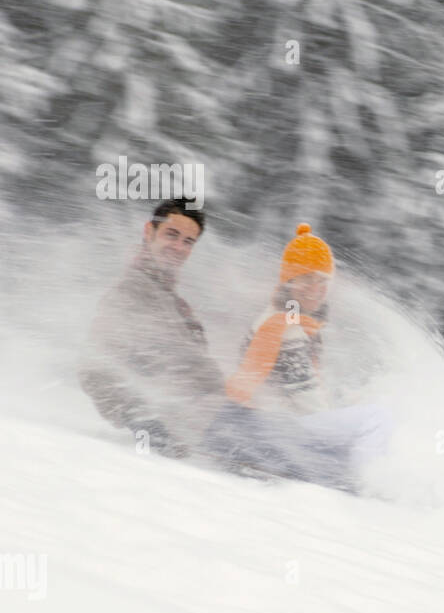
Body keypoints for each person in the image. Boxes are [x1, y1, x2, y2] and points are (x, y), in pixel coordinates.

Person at [205, 224, 389, 489]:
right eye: (306, 278)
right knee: (376, 417)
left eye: (322, 280)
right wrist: (341, 424)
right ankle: (369, 485)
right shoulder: (287, 328)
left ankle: (373, 477)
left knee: (366, 414)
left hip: (275, 422)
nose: (315, 287)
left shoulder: (290, 320)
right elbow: (308, 401)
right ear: (289, 282)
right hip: (277, 425)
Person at [78, 200, 225, 458]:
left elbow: (195, 371)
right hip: (182, 436)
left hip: (209, 428)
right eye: (172, 235)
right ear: (149, 231)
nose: (179, 247)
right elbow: (94, 368)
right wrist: (143, 421)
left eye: (188, 242)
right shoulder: (130, 292)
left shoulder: (175, 303)